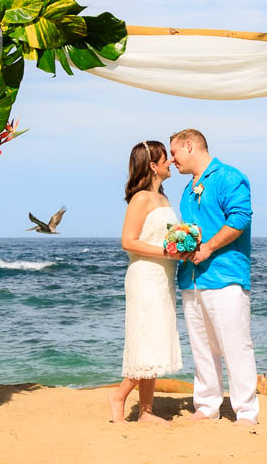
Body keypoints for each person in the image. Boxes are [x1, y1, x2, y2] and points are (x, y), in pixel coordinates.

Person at [168, 128, 259, 426]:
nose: (172, 160)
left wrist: (208, 247)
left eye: (174, 152)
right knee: (201, 346)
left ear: (190, 145)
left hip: (224, 276)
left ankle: (246, 411)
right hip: (191, 279)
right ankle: (207, 406)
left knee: (235, 345)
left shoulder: (229, 177)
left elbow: (240, 218)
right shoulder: (185, 190)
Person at [109, 140, 184, 424]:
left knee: (155, 339)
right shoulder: (141, 198)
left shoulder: (163, 198)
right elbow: (128, 241)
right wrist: (169, 251)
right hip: (145, 277)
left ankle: (146, 412)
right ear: (153, 165)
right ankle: (118, 396)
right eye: (166, 159)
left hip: (163, 276)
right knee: (146, 341)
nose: (171, 163)